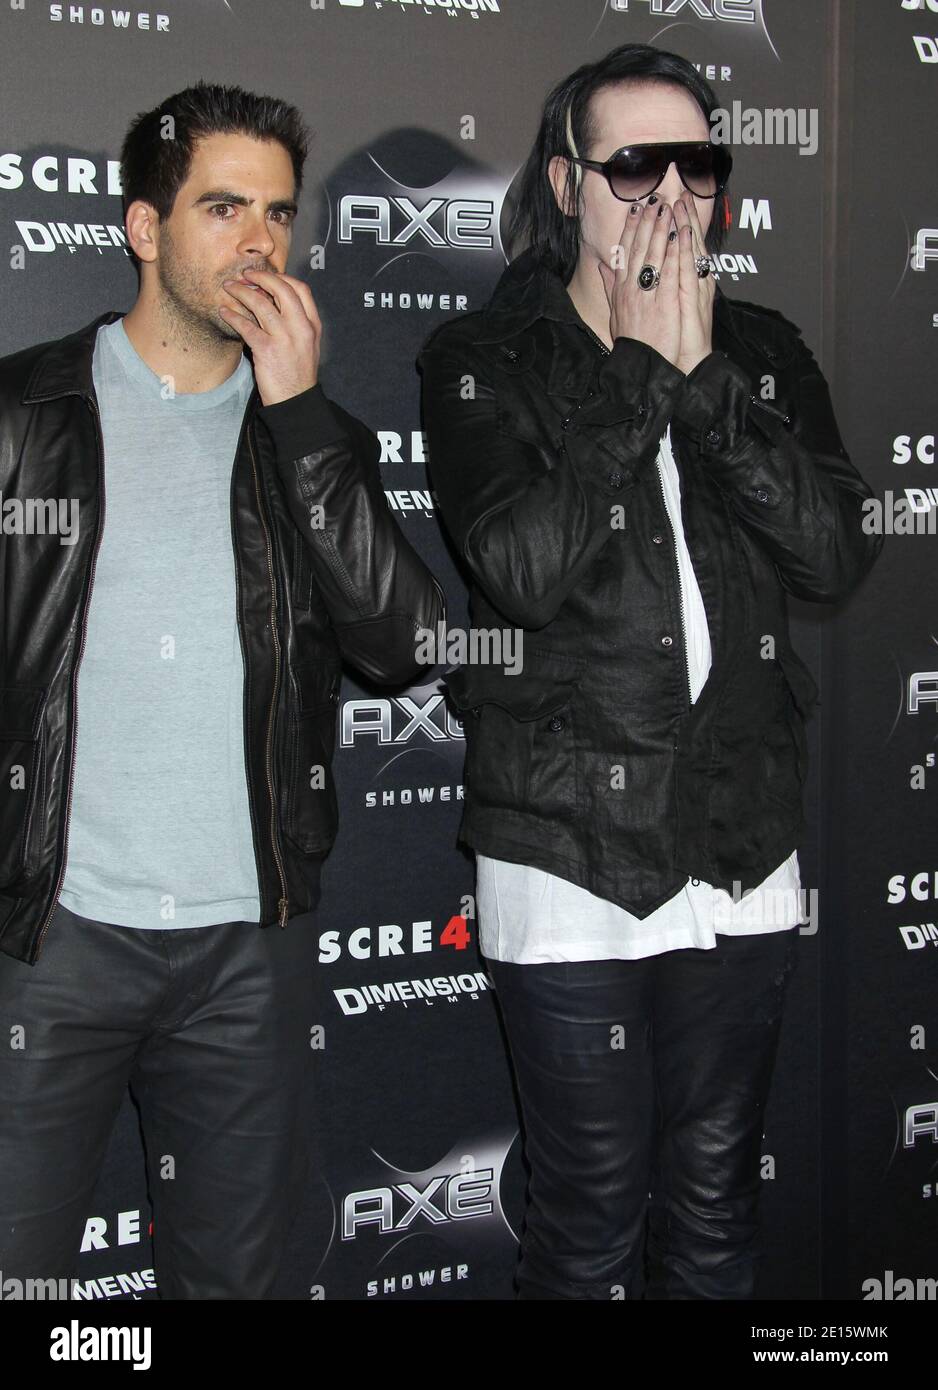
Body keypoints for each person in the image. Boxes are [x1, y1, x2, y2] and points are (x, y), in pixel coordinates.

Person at [417, 43, 882, 1300]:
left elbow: (835, 553)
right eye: (634, 166)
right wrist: (640, 369)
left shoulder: (766, 350)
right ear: (568, 185)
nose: (670, 197)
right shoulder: (484, 355)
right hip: (568, 846)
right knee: (585, 1219)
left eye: (696, 165)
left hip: (740, 838)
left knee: (717, 1210)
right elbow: (517, 565)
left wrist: (709, 386)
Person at [0, 81, 443, 1298]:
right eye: (223, 207)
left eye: (279, 215)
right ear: (144, 229)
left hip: (248, 951)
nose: (260, 242)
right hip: (52, 938)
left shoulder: (314, 439)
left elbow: (404, 648)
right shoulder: (23, 414)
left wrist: (298, 417)